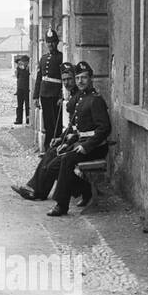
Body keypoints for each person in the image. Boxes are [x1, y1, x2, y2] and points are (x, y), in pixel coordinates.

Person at [47, 60, 111, 217]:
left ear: (91, 79)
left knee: (67, 160)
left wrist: (87, 146)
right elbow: (79, 129)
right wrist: (67, 142)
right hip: (82, 143)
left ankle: (61, 205)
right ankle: (86, 190)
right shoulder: (81, 99)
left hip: (96, 147)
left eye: (84, 77)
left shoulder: (96, 100)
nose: (80, 81)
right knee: (52, 166)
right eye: (78, 78)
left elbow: (105, 129)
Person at [11, 62, 77, 201]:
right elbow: (72, 126)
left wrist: (67, 140)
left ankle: (38, 190)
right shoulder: (74, 94)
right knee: (51, 150)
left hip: (81, 144)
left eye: (70, 79)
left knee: (53, 155)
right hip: (75, 139)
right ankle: (35, 189)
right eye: (64, 80)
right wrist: (61, 138)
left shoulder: (81, 97)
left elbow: (81, 127)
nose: (66, 83)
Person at [33, 28, 64, 148]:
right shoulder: (43, 58)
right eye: (48, 42)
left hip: (55, 94)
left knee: (56, 121)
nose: (50, 44)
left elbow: (64, 78)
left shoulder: (61, 57)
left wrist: (61, 95)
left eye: (52, 42)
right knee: (47, 122)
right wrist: (36, 96)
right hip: (44, 94)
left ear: (57, 43)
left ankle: (55, 146)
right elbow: (39, 77)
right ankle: (47, 146)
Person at [13, 54, 31, 125]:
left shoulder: (29, 69)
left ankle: (28, 119)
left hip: (27, 89)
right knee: (19, 105)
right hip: (20, 88)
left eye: (24, 62)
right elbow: (17, 77)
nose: (22, 63)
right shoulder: (19, 68)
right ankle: (19, 119)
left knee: (27, 105)